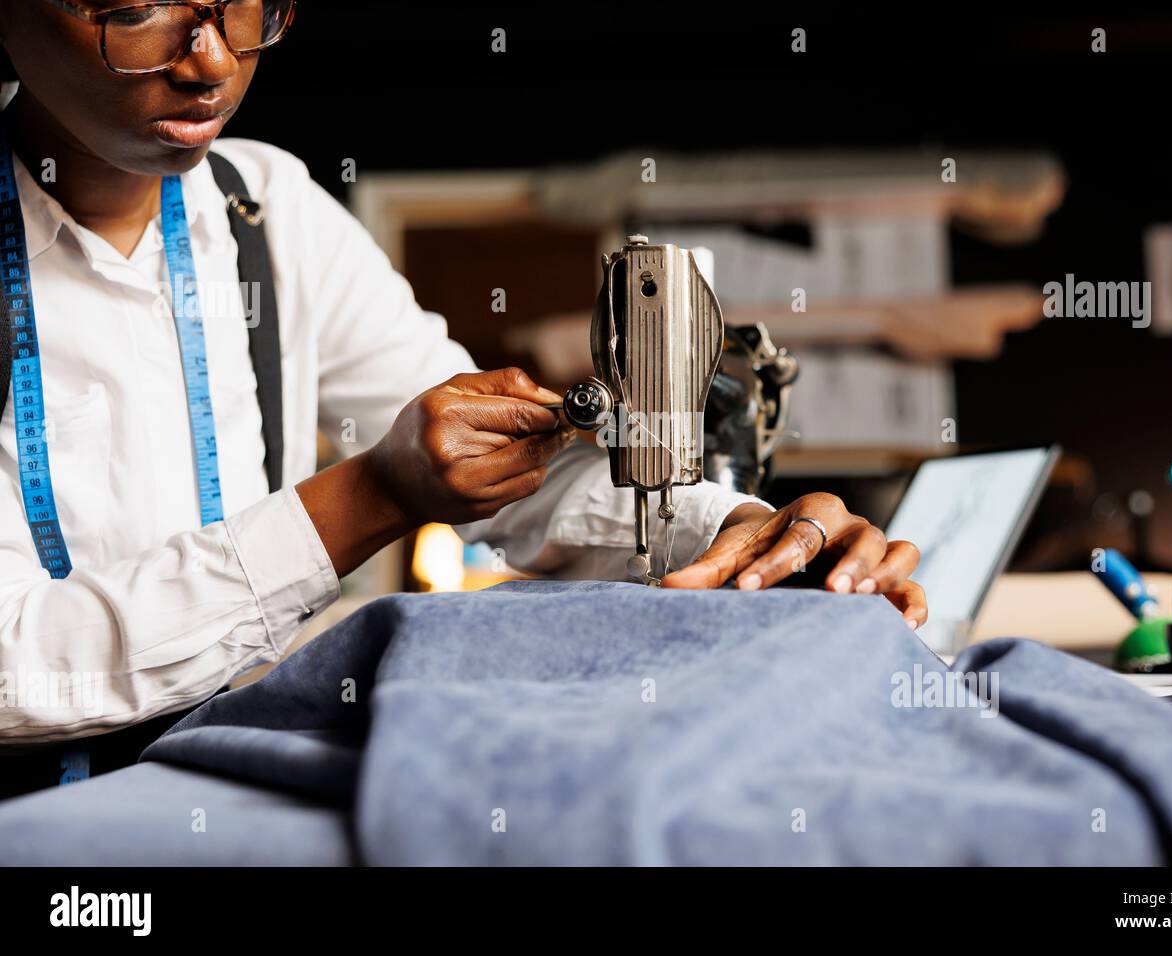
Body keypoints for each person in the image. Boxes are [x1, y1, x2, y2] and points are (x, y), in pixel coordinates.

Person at [0, 0, 926, 785]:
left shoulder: (267, 207)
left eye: (242, 6)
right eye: (137, 12)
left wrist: (731, 532)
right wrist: (372, 498)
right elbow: (16, 666)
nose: (208, 61)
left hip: (229, 786)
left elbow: (510, 472)